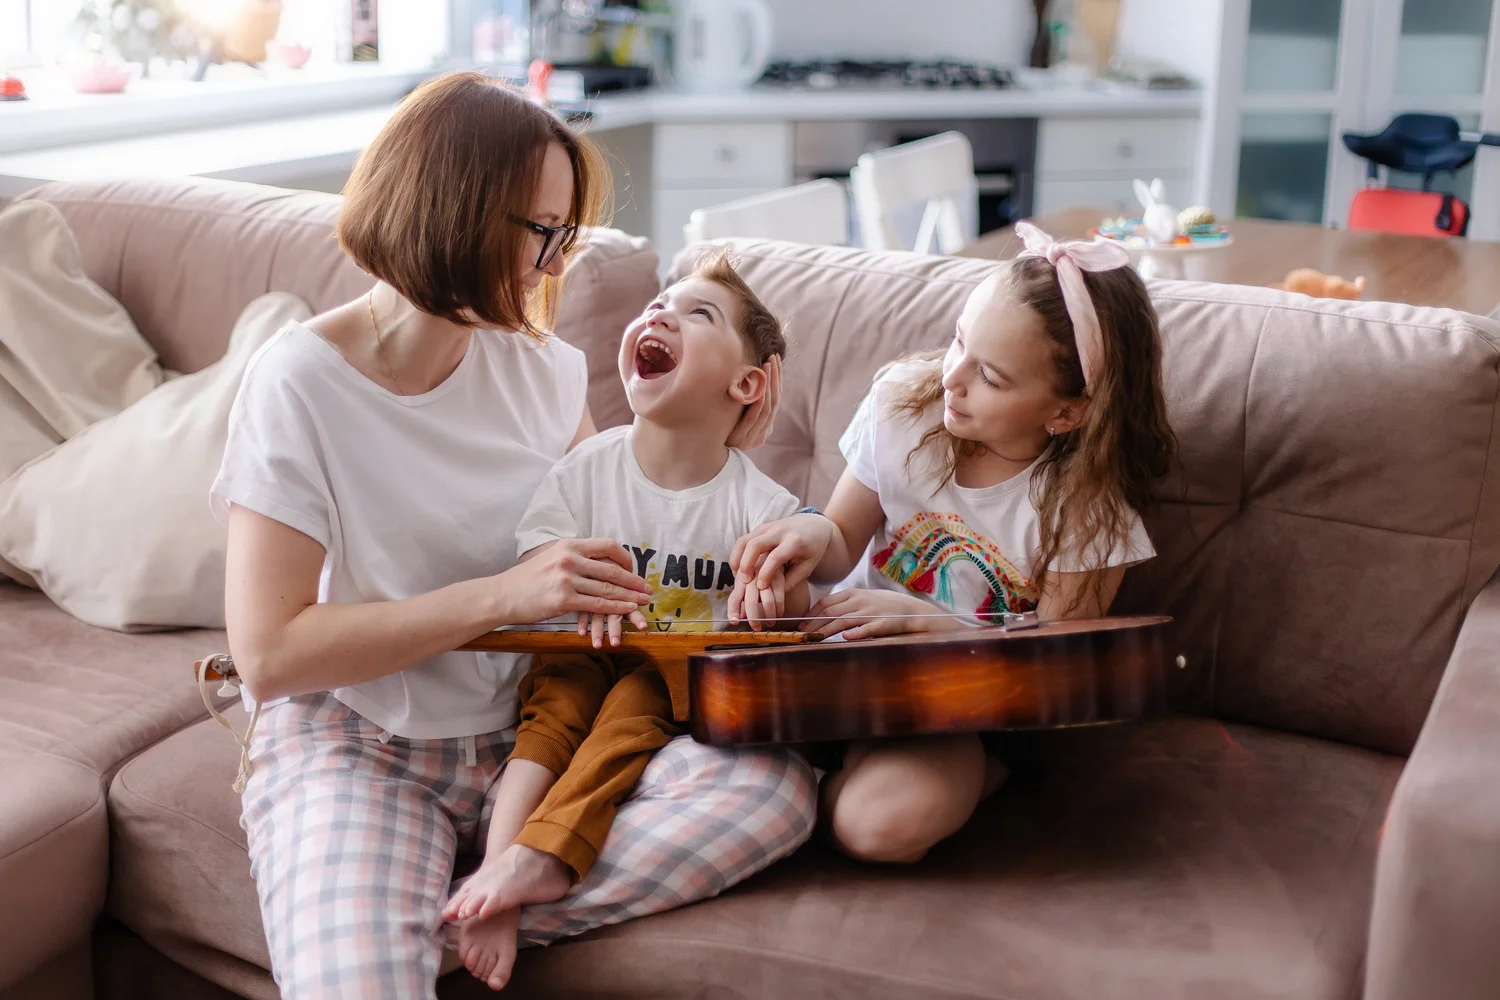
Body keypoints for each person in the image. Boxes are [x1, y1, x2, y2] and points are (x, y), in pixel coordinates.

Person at [213, 72, 815, 999]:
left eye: (565, 235)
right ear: (454, 209)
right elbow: (271, 655)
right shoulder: (300, 384)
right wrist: (504, 596)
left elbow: (616, 543)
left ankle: (454, 913)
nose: (554, 264)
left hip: (533, 737)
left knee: (769, 794)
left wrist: (746, 544)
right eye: (543, 232)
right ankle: (411, 934)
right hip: (361, 743)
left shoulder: (543, 370)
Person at [730, 222, 1176, 865]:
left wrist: (930, 624)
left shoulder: (1084, 508)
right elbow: (841, 543)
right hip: (837, 670)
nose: (952, 378)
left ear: (1066, 412)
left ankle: (941, 779)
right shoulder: (902, 409)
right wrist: (808, 531)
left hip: (961, 711)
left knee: (877, 828)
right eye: (958, 342)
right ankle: (810, 777)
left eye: (990, 377)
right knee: (774, 598)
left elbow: (1050, 673)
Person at [441, 246, 809, 986]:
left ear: (746, 383)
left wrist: (772, 599)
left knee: (629, 721)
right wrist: (575, 580)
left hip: (667, 672)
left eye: (696, 313)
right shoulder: (588, 466)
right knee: (550, 721)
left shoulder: (757, 503)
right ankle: (502, 868)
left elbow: (792, 601)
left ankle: (543, 859)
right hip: (579, 646)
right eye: (656, 305)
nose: (660, 312)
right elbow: (538, 555)